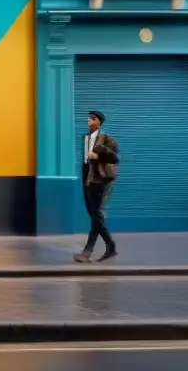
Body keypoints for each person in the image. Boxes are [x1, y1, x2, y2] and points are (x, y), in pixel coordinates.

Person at [75, 110, 119, 263]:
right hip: (87, 179)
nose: (89, 122)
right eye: (88, 119)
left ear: (99, 122)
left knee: (96, 214)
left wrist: (99, 154)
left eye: (92, 119)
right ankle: (108, 248)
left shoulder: (107, 139)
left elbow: (115, 158)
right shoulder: (86, 138)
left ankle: (90, 251)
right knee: (94, 215)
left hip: (99, 181)